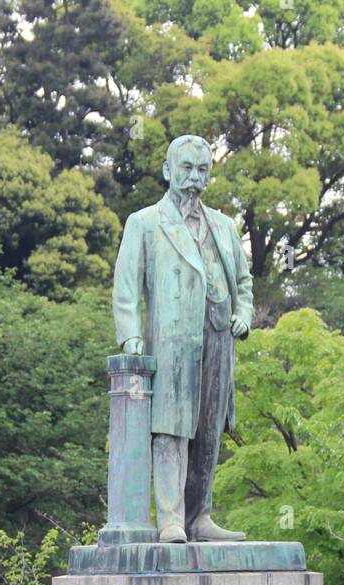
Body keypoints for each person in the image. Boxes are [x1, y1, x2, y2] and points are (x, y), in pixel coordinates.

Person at [112, 134, 253, 544]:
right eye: (187, 168)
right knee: (172, 428)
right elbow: (126, 287)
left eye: (202, 169)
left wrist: (243, 314)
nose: (194, 178)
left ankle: (199, 516)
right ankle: (171, 519)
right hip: (171, 341)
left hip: (218, 340)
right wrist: (131, 338)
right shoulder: (144, 223)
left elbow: (243, 282)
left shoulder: (224, 226)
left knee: (209, 428)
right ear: (168, 171)